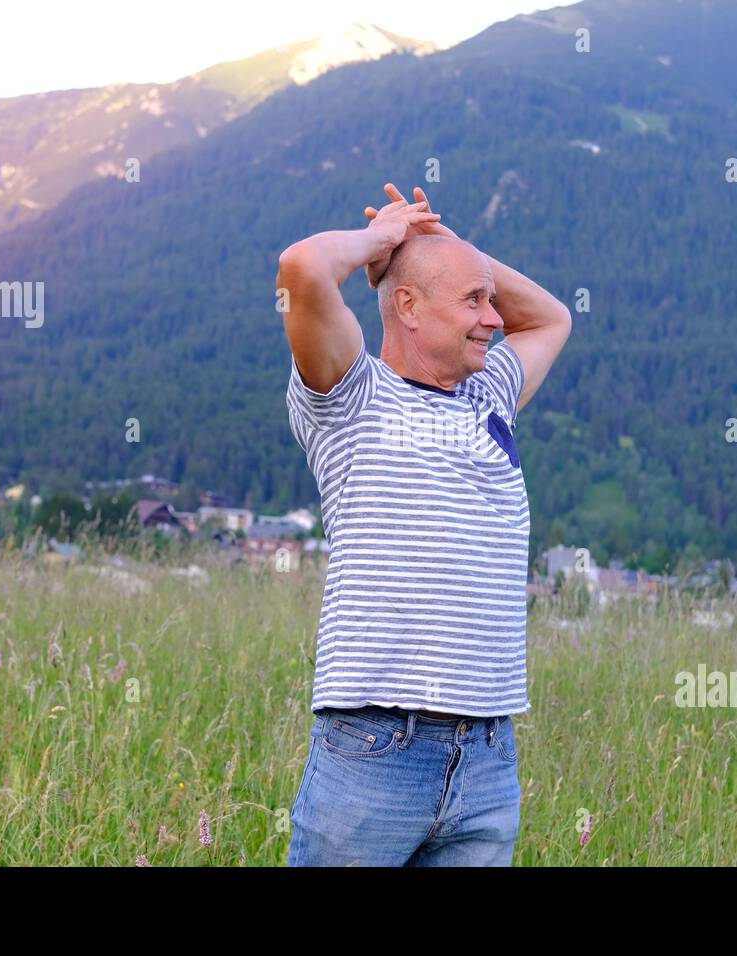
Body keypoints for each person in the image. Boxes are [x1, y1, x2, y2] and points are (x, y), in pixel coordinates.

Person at [276, 183, 571, 865]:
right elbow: (301, 267)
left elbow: (552, 318)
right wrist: (385, 242)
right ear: (406, 305)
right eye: (474, 301)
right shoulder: (351, 397)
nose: (494, 318)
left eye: (490, 299)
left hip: (488, 758)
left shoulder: (490, 394)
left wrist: (442, 245)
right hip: (376, 754)